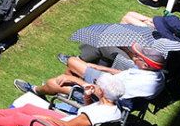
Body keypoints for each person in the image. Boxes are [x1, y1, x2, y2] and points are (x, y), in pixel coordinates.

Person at [17, 44, 165, 103]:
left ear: (145, 64)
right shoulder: (154, 74)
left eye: (137, 57)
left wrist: (74, 80)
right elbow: (122, 73)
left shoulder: (141, 82)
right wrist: (94, 66)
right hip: (108, 83)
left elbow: (102, 91)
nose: (134, 56)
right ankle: (63, 91)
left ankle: (37, 90)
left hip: (103, 96)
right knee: (74, 61)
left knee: (54, 83)